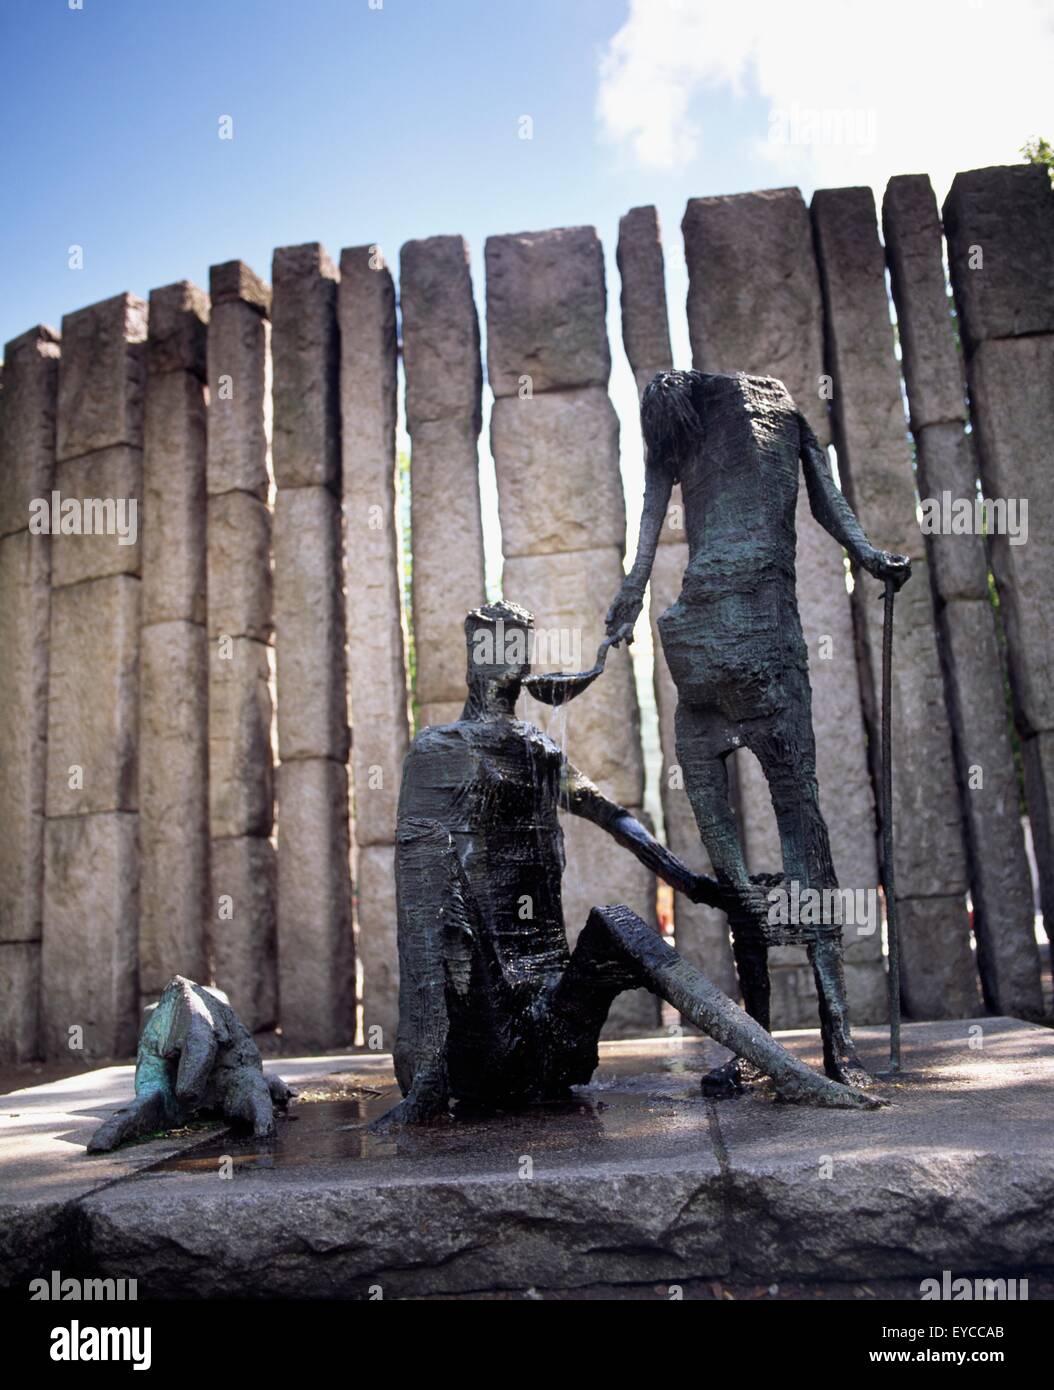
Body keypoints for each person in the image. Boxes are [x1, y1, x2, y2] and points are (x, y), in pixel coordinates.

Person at [380, 600, 876, 1127]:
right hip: (474, 1039)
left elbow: (615, 819)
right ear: (472, 657)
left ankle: (791, 1074)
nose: (507, 661)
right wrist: (422, 1061)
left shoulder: (539, 751)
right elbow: (421, 912)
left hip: (550, 1039)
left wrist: (694, 885)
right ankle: (430, 1081)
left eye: (516, 647)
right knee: (428, 861)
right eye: (494, 646)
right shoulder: (437, 750)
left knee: (614, 925)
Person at [606, 371, 910, 1092]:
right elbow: (823, 501)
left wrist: (867, 554)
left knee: (784, 846)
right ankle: (781, 1044)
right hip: (724, 642)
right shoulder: (735, 416)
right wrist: (866, 554)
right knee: (777, 847)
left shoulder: (747, 414)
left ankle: (823, 1039)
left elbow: (655, 524)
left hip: (734, 638)